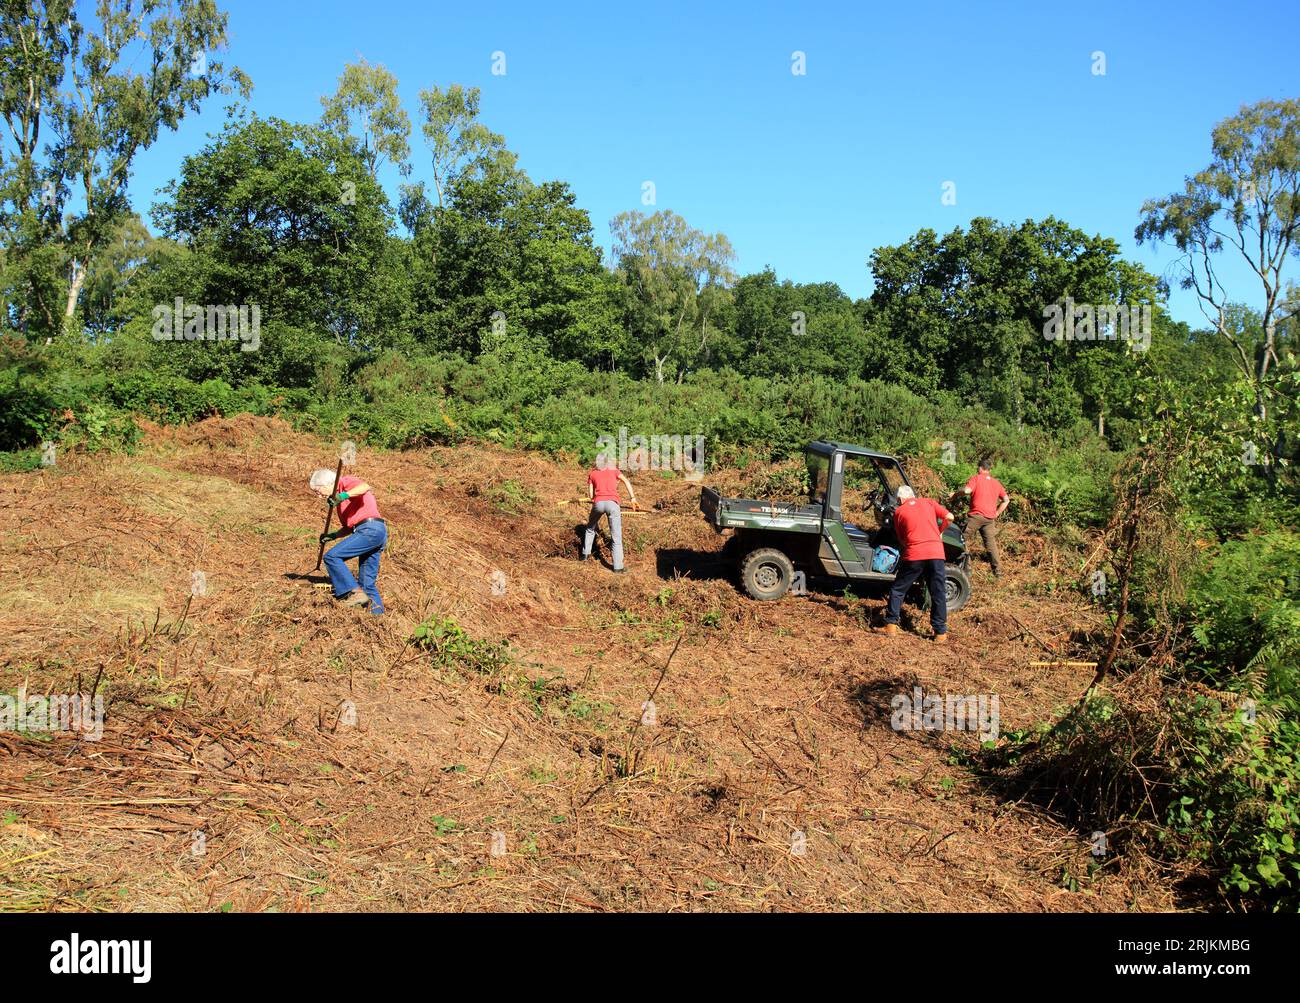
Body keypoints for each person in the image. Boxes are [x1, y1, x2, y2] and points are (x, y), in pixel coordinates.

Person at [874, 485, 953, 643]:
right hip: (936, 553)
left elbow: (902, 539)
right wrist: (939, 531)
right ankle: (940, 633)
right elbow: (950, 517)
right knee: (937, 592)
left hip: (915, 555)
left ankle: (890, 626)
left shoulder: (899, 512)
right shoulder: (929, 502)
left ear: (900, 499)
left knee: (898, 589)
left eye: (898, 500)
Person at [309, 469, 387, 615]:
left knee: (331, 557)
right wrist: (332, 535)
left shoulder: (344, 482)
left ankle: (354, 593)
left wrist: (343, 495)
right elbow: (349, 527)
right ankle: (377, 619)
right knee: (367, 586)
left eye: (318, 491)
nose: (319, 496)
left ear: (329, 483)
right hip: (373, 532)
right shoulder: (340, 504)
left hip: (370, 529)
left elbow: (365, 487)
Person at [580, 454, 638, 573]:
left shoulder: (592, 473)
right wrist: (632, 498)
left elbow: (591, 496)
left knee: (590, 528)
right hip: (613, 504)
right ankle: (618, 567)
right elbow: (626, 481)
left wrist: (596, 497)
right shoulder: (614, 470)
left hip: (598, 504)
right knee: (616, 536)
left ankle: (585, 555)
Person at [951, 458, 1009, 577]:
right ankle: (998, 573)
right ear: (989, 469)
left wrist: (955, 494)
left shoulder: (976, 478)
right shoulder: (996, 483)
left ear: (980, 468)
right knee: (991, 546)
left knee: (959, 539)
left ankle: (964, 569)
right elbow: (1006, 500)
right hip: (989, 519)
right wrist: (997, 513)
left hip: (976, 517)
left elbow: (967, 491)